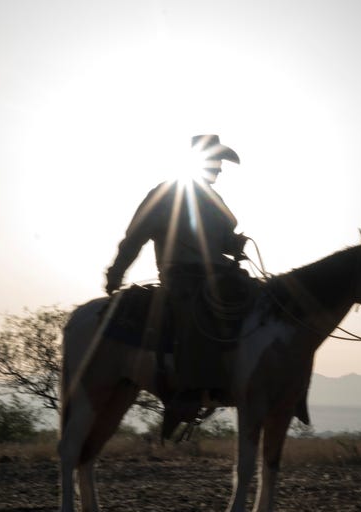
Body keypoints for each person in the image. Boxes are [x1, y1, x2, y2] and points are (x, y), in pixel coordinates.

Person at [104, 134, 251, 433]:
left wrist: (234, 245)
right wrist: (116, 274)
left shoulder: (216, 201)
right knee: (195, 313)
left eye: (221, 162)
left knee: (260, 303)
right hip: (182, 274)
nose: (220, 169)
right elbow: (135, 238)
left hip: (221, 273)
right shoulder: (163, 195)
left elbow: (224, 240)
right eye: (216, 162)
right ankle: (188, 391)